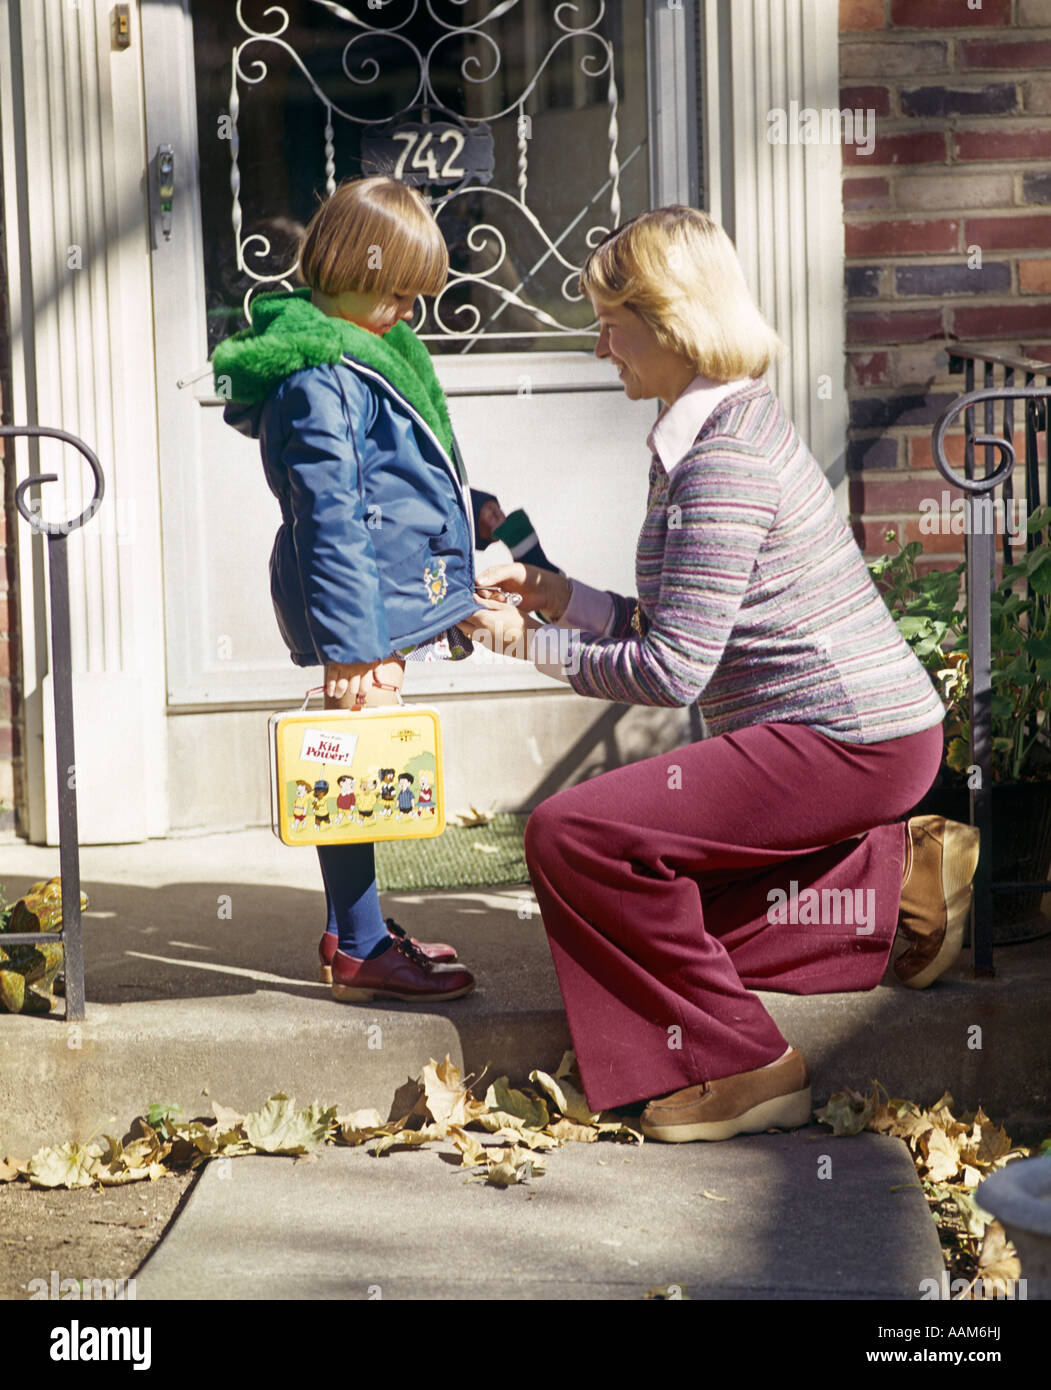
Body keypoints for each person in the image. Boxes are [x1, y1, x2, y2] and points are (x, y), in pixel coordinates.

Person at [460, 205, 979, 1143]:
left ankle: (747, 1066)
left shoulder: (722, 458)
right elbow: (669, 620)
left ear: (667, 321)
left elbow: (671, 670)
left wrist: (520, 645)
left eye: (608, 322)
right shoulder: (699, 430)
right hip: (851, 736)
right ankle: (901, 883)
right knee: (671, 917)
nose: (597, 345)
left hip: (848, 742)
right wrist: (546, 592)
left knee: (574, 839)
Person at [214, 175, 480, 1004]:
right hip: (361, 608)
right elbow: (329, 520)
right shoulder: (314, 376)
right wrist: (355, 644)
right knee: (356, 763)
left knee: (357, 756)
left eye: (414, 295)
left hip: (385, 596)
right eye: (395, 292)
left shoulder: (356, 347)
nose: (406, 310)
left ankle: (351, 928)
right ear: (343, 265)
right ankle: (362, 947)